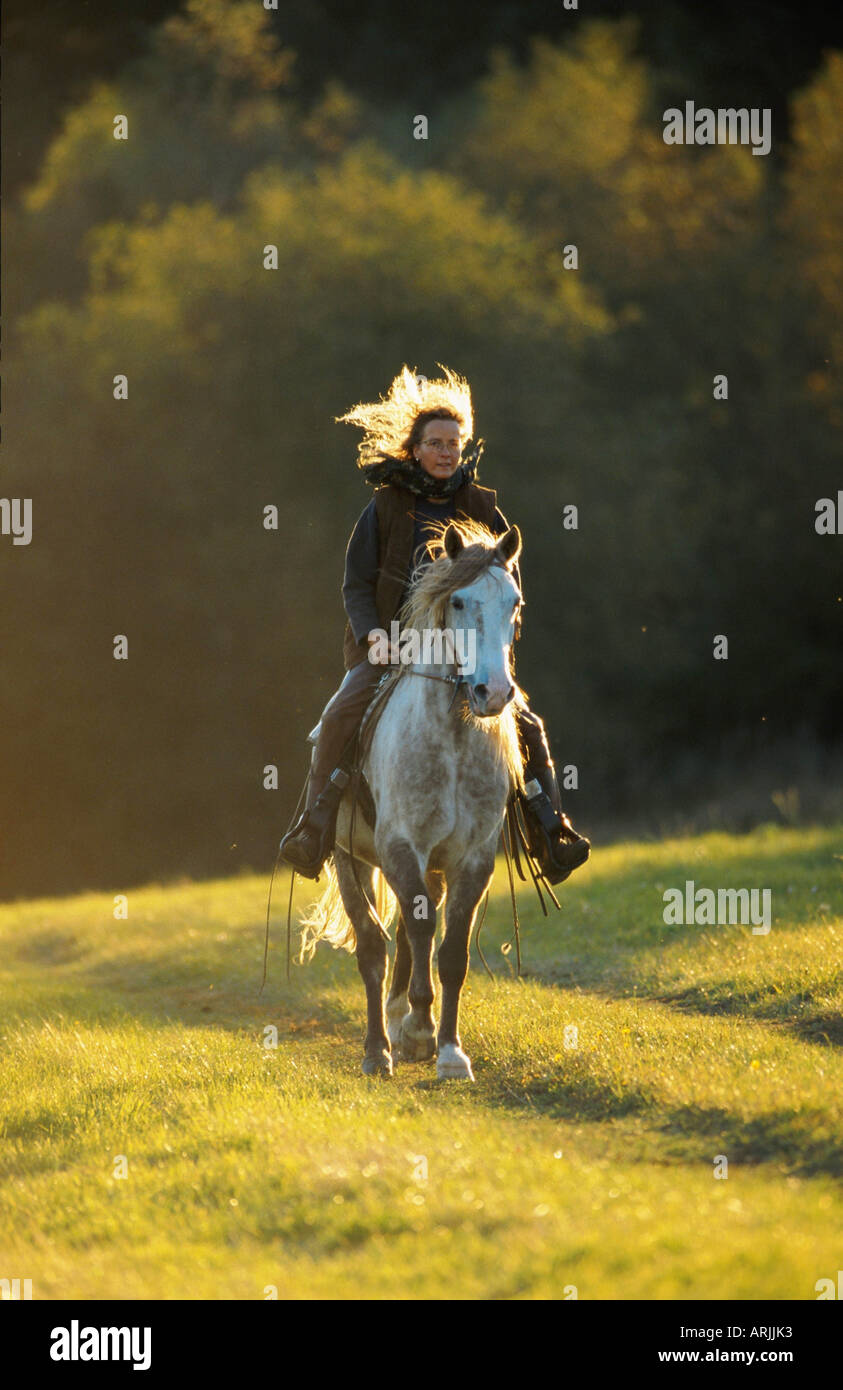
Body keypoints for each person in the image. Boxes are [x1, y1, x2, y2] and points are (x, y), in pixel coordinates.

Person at [280, 365, 590, 883]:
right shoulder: (385, 507)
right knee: (338, 716)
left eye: (455, 443)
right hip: (393, 646)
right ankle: (313, 830)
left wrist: (497, 644)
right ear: (416, 448)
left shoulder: (484, 509)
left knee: (529, 727)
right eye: (437, 443)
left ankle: (550, 832)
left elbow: (506, 588)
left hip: (467, 649)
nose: (448, 452)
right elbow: (356, 584)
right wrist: (373, 636)